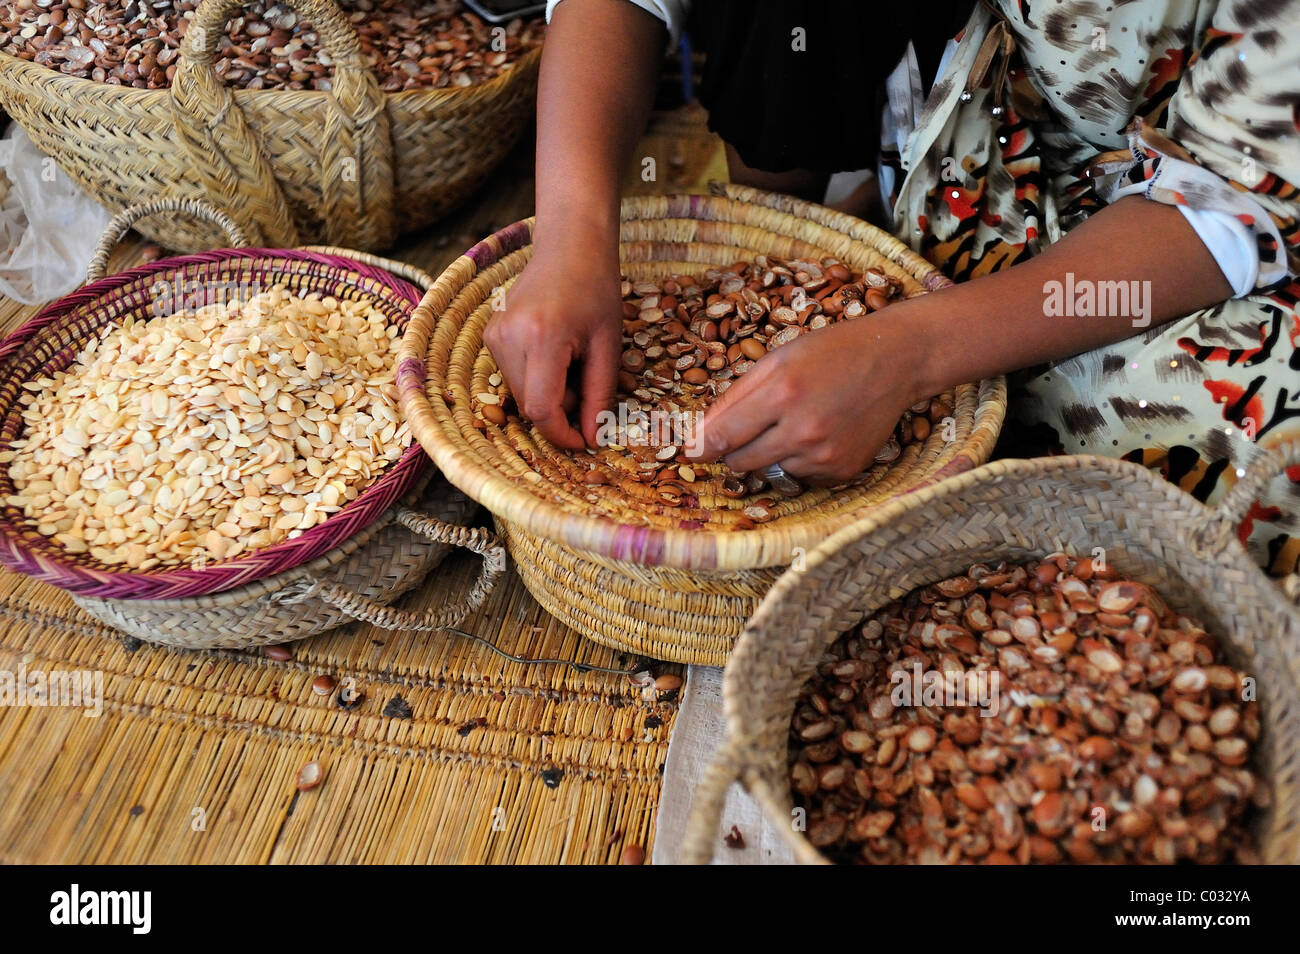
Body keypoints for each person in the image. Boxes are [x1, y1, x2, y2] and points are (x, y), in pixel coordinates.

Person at [484, 0, 1300, 578]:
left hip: (1164, 228)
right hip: (955, 158)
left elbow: (1236, 201)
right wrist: (572, 234)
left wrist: (911, 349)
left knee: (1240, 455)